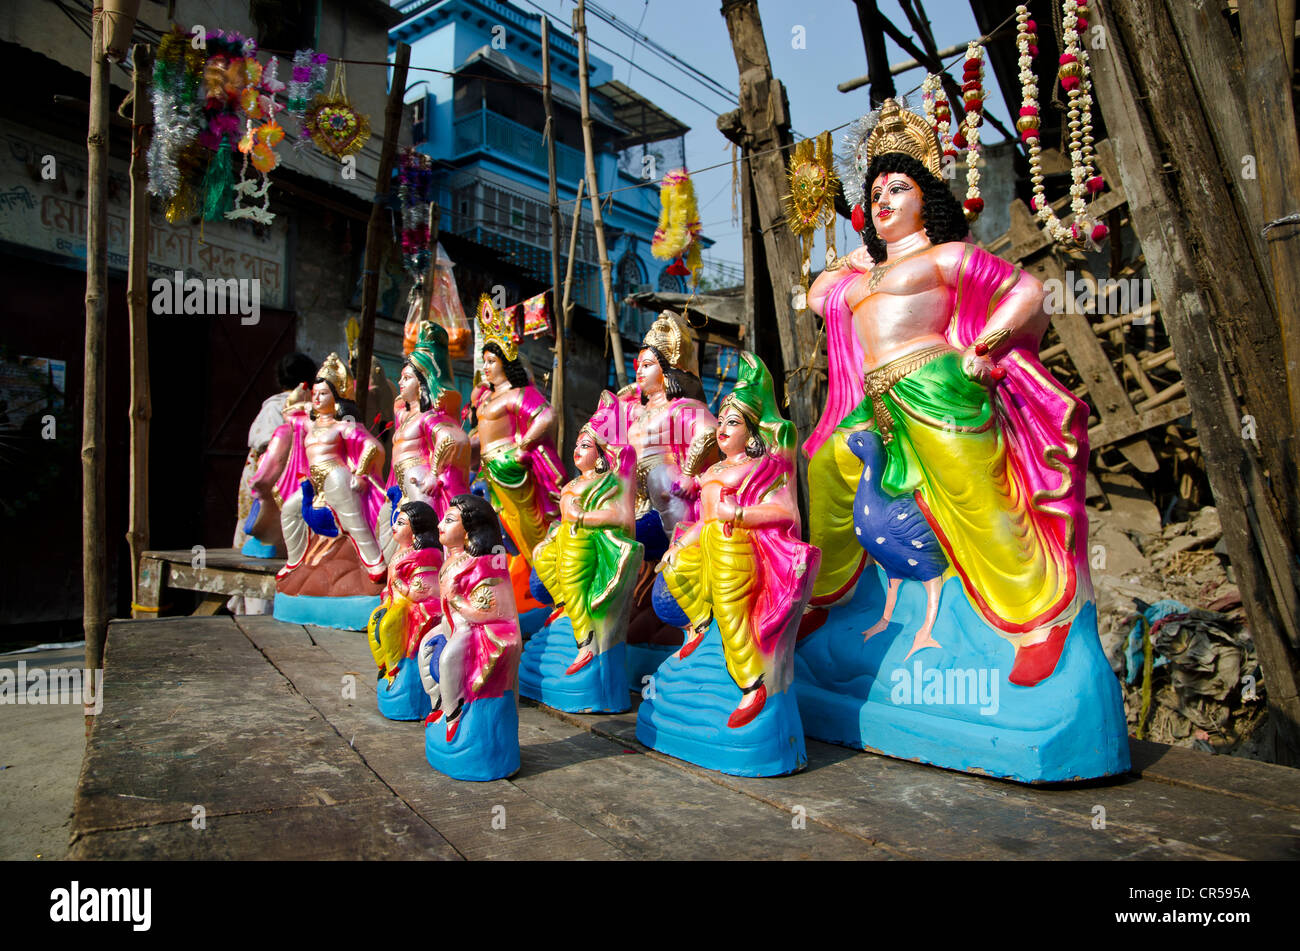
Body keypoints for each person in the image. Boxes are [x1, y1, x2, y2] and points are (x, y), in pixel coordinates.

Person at [804, 98, 1089, 686]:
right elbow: (816, 296)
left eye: (898, 188)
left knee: (977, 497)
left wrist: (984, 348)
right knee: (828, 468)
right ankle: (828, 601)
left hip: (936, 384)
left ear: (926, 199)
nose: (883, 200)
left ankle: (1040, 620)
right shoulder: (863, 275)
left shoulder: (948, 256)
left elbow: (1028, 292)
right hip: (875, 400)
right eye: (876, 191)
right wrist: (855, 257)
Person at [657, 353, 819, 728]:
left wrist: (739, 515)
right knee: (677, 570)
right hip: (706, 540)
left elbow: (785, 513)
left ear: (752, 430)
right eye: (721, 421)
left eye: (734, 422)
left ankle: (753, 684)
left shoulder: (763, 467)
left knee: (733, 614)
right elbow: (704, 517)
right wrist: (680, 544)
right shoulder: (712, 469)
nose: (722, 429)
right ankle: (699, 626)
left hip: (736, 545)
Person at [531, 412, 641, 676]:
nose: (577, 450)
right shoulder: (571, 484)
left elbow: (621, 517)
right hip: (567, 538)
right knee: (543, 556)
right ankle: (564, 606)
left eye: (585, 445)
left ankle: (586, 642)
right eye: (576, 445)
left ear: (601, 452)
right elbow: (565, 518)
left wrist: (584, 518)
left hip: (590, 542)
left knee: (572, 572)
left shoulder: (608, 483)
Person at [418, 494, 521, 747]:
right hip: (452, 625)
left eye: (449, 520)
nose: (440, 525)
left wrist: (457, 601)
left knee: (448, 659)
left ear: (468, 531)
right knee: (425, 649)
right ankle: (439, 704)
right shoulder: (452, 560)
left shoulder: (486, 564)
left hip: (477, 631)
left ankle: (454, 716)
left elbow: (492, 610)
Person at [276, 353, 388, 584]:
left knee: (352, 520)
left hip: (336, 476)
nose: (317, 398)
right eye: (315, 393)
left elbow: (371, 445)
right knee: (289, 510)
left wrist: (360, 473)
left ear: (336, 397)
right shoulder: (310, 424)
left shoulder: (342, 425)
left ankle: (374, 561)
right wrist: (299, 395)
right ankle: (295, 560)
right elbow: (289, 415)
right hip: (313, 483)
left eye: (323, 393)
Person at [472, 296, 564, 565]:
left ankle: (545, 570)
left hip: (512, 467)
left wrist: (523, 449)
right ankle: (525, 568)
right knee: (505, 524)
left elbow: (546, 416)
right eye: (485, 361)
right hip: (490, 469)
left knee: (530, 525)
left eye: (491, 361)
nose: (486, 368)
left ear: (506, 363)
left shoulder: (518, 393)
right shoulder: (487, 398)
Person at [229, 352, 316, 612]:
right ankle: (251, 606)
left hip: (280, 479)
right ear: (306, 384)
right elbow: (267, 443)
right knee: (261, 530)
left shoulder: (298, 407)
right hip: (272, 481)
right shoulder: (277, 407)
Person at [376, 320, 470, 560]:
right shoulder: (406, 416)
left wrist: (434, 474)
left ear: (422, 382)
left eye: (406, 378)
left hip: (419, 483)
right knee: (389, 528)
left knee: (421, 535)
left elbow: (452, 438)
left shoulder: (429, 417)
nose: (400, 382)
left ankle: (429, 578)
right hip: (402, 484)